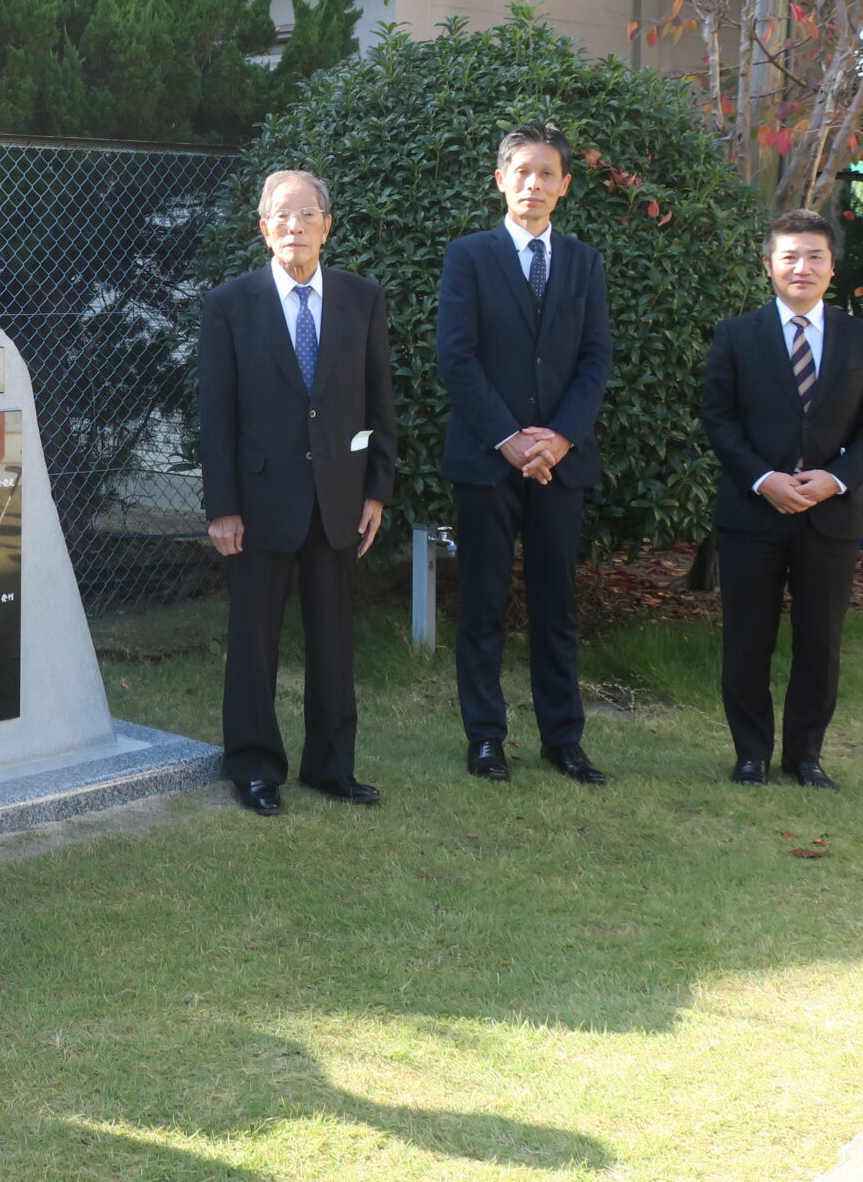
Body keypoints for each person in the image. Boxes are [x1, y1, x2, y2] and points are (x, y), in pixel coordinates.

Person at [199, 168, 398, 816]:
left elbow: (378, 404)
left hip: (338, 499)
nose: (294, 225)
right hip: (257, 506)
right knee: (253, 640)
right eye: (280, 215)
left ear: (326, 224)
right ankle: (254, 767)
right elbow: (216, 415)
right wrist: (221, 505)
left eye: (306, 213)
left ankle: (331, 766)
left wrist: (376, 490)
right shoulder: (230, 304)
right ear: (263, 228)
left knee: (334, 639)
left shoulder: (363, 299)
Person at [436, 121, 615, 785]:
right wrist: (510, 439)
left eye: (547, 173)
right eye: (522, 171)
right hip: (488, 460)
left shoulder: (584, 263)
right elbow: (455, 356)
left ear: (564, 186)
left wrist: (560, 437)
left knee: (556, 604)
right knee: (483, 601)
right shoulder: (468, 256)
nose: (533, 183)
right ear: (500, 179)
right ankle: (485, 736)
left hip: (560, 463)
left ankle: (562, 737)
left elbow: (596, 357)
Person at [700, 207, 863, 789]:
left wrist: (835, 479)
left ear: (831, 268)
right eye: (789, 256)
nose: (801, 267)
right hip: (752, 512)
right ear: (768, 266)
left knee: (820, 641)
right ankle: (751, 755)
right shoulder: (737, 335)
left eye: (814, 256)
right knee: (746, 638)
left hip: (831, 515)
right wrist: (766, 479)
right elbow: (719, 417)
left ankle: (806, 756)